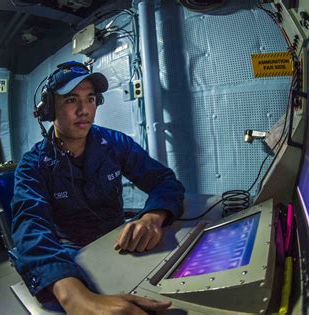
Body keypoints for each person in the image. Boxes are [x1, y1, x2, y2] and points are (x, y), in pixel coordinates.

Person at [11, 61, 185, 314]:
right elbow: (30, 228)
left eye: (90, 98)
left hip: (120, 242)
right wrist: (74, 297)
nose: (84, 110)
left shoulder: (115, 143)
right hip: (71, 253)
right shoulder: (32, 165)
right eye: (71, 100)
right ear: (49, 109)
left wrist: (152, 217)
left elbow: (164, 181)